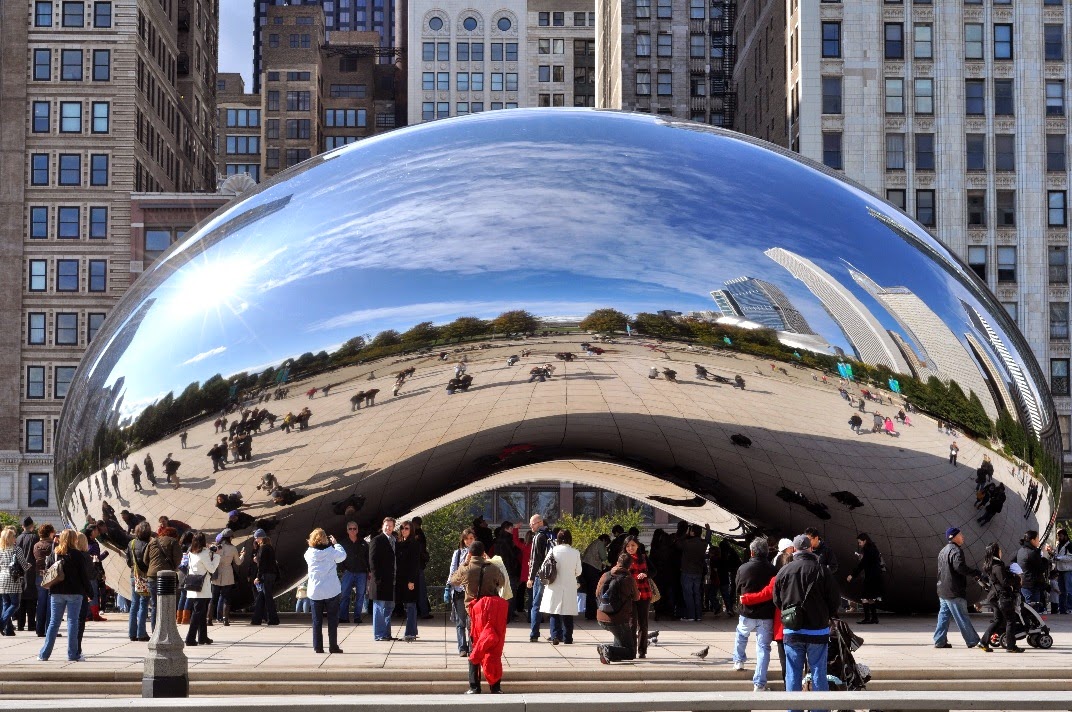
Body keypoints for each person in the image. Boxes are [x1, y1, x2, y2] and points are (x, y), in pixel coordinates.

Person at [773, 534, 841, 703]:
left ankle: (794, 708)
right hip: (818, 630)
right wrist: (825, 615)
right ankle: (819, 708)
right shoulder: (822, 570)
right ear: (811, 548)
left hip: (793, 630)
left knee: (793, 673)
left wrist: (789, 612)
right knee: (818, 671)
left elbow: (777, 599)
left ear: (794, 550)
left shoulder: (784, 571)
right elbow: (835, 600)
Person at [449, 541, 507, 694]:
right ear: (483, 553)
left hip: (474, 613)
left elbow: (453, 580)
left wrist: (464, 563)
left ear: (469, 553)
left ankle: (474, 686)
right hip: (491, 612)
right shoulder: (493, 568)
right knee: (493, 648)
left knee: (475, 647)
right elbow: (502, 582)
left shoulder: (466, 569)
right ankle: (495, 686)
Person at [38, 530, 93, 662]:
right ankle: (72, 654)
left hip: (57, 592)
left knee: (54, 622)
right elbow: (84, 576)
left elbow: (48, 571)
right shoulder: (78, 555)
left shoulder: (55, 553)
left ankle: (44, 654)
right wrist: (90, 592)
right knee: (73, 622)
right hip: (75, 592)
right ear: (74, 539)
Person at [733, 538, 777, 691]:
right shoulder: (773, 570)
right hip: (766, 614)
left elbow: (738, 587)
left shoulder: (743, 568)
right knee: (763, 648)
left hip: (747, 611)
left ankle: (739, 660)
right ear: (767, 552)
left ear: (752, 552)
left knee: (741, 634)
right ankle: (759, 683)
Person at [933, 527, 981, 649]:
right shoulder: (956, 551)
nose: (963, 536)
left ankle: (939, 641)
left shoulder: (943, 551)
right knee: (962, 616)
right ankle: (972, 640)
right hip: (954, 590)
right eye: (960, 534)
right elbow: (959, 567)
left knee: (943, 616)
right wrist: (975, 572)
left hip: (943, 589)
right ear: (953, 537)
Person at [305, 528, 346, 654]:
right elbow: (342, 556)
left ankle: (318, 646)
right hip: (331, 590)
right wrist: (336, 544)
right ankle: (333, 646)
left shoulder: (308, 554)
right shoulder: (331, 552)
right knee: (333, 620)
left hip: (315, 591)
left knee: (316, 621)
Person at [539, 529, 582, 645]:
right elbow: (578, 571)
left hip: (554, 584)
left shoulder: (553, 550)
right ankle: (568, 638)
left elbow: (544, 567)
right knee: (568, 612)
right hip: (569, 585)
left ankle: (555, 636)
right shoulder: (575, 552)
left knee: (554, 612)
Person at [595, 553, 640, 664]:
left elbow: (597, 593)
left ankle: (609, 654)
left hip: (601, 617)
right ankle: (607, 650)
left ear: (617, 562)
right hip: (618, 620)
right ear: (630, 566)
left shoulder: (605, 575)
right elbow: (636, 597)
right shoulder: (628, 579)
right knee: (630, 652)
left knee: (619, 640)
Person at [979, 542, 1021, 653]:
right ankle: (1011, 646)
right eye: (1000, 549)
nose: (1001, 551)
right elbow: (1005, 582)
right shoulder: (997, 566)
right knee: (1010, 621)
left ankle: (983, 642)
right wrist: (1016, 579)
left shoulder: (990, 565)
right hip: (1003, 597)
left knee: (998, 621)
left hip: (994, 597)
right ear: (996, 551)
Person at [183, 532, 219, 646]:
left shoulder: (191, 552)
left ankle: (203, 637)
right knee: (198, 612)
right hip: (202, 586)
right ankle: (190, 638)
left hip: (193, 584)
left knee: (201, 612)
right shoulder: (204, 553)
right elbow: (212, 569)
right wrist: (216, 556)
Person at [622, 535, 654, 658]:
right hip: (629, 595)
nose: (630, 548)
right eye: (628, 546)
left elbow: (654, 571)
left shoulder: (644, 557)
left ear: (637, 546)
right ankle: (631, 650)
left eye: (633, 545)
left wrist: (645, 574)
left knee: (643, 623)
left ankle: (642, 651)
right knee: (631, 624)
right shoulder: (623, 558)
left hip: (644, 593)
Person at [146, 526, 182, 632]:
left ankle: (154, 631)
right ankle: (166, 630)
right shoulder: (173, 541)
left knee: (155, 605)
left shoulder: (152, 542)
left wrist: (153, 568)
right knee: (167, 604)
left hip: (152, 576)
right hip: (167, 577)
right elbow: (178, 558)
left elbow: (145, 559)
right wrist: (173, 568)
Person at [448, 529, 477, 656]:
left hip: (473, 593)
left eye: (471, 538)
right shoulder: (458, 553)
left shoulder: (480, 554)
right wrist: (448, 586)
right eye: (466, 539)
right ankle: (462, 647)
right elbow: (452, 572)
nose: (469, 541)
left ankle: (472, 647)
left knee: (472, 623)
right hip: (459, 591)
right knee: (460, 622)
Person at [525, 514, 554, 642]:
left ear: (540, 522)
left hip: (540, 576)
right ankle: (556, 633)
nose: (531, 526)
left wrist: (531, 577)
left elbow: (535, 559)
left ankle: (534, 633)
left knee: (536, 605)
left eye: (533, 523)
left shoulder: (538, 537)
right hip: (553, 575)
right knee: (553, 605)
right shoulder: (551, 535)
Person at [369, 517, 398, 642]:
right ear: (382, 526)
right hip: (380, 581)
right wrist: (377, 579)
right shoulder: (377, 540)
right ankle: (379, 634)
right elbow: (372, 561)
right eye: (386, 525)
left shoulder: (394, 540)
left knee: (389, 607)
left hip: (391, 580)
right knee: (379, 608)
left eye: (391, 526)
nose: (388, 528)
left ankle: (386, 633)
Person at [846, 532, 884, 624]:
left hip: (870, 576)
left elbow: (862, 564)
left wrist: (852, 575)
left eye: (860, 542)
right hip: (876, 576)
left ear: (865, 541)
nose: (859, 544)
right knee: (871, 598)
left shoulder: (867, 549)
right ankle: (874, 618)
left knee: (864, 597)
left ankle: (867, 618)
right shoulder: (873, 548)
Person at [0, 528, 31, 636]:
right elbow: (23, 565)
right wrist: (29, 565)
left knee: (6, 604)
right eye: (14, 536)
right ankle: (2, 623)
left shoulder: (0, 549)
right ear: (10, 538)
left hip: (2, 578)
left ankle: (9, 630)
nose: (15, 538)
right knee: (15, 604)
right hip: (12, 578)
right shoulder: (16, 549)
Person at [395, 520, 421, 642]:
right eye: (402, 528)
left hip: (410, 579)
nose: (404, 530)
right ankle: (412, 631)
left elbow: (415, 564)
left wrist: (411, 580)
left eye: (406, 528)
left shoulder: (414, 544)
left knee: (410, 605)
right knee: (407, 605)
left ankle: (410, 633)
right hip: (401, 578)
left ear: (411, 530)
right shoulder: (399, 543)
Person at [338, 521, 369, 624]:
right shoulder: (342, 543)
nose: (352, 531)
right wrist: (343, 570)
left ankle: (357, 617)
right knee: (344, 595)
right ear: (347, 530)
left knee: (360, 596)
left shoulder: (363, 543)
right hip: (348, 572)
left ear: (357, 530)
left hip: (361, 573)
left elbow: (368, 558)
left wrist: (369, 571)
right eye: (350, 529)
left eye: (354, 529)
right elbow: (339, 558)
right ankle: (343, 617)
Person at [125, 521, 152, 641]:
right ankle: (141, 633)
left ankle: (132, 633)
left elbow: (128, 561)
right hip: (145, 576)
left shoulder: (131, 543)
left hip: (134, 575)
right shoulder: (149, 544)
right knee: (143, 604)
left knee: (134, 604)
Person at [249, 529, 280, 626]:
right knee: (261, 598)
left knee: (267, 597)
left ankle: (273, 619)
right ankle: (256, 619)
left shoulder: (262, 548)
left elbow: (262, 564)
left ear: (261, 537)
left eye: (256, 537)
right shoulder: (269, 547)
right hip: (271, 574)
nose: (256, 539)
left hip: (265, 575)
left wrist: (258, 577)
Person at [676, 524, 707, 621]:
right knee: (697, 594)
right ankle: (698, 615)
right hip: (698, 571)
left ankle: (691, 615)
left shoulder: (686, 543)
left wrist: (685, 534)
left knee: (688, 594)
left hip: (687, 571)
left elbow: (677, 543)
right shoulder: (703, 544)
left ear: (692, 532)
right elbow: (708, 539)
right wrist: (709, 530)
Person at [211, 529, 240, 626]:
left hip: (216, 572)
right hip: (227, 572)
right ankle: (225, 620)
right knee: (226, 597)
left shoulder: (216, 547)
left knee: (214, 597)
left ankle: (209, 619)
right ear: (230, 537)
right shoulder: (233, 548)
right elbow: (238, 562)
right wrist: (243, 556)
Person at [493, 522, 522, 619]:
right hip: (510, 569)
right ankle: (509, 614)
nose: (512, 530)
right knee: (511, 592)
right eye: (511, 528)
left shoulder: (497, 540)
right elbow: (514, 553)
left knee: (500, 591)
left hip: (499, 568)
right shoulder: (509, 540)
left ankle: (500, 612)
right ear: (507, 528)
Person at [1014, 530, 1051, 607]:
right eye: (1037, 538)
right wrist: (1045, 560)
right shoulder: (1032, 553)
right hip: (1032, 584)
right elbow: (1041, 568)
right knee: (1033, 609)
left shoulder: (1021, 550)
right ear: (1032, 540)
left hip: (1024, 583)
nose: (1038, 541)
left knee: (1027, 607)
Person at [15, 517, 38, 633]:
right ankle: (31, 624)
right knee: (32, 599)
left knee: (21, 599)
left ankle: (20, 624)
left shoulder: (18, 538)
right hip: (32, 570)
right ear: (31, 525)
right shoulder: (34, 537)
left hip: (19, 571)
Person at [581, 534, 610, 621]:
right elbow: (603, 557)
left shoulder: (593, 543)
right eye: (606, 544)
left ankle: (589, 613)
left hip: (586, 567)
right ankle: (592, 613)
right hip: (592, 568)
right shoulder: (600, 543)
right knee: (594, 591)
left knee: (589, 592)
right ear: (604, 540)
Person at [1055, 529, 1072, 615]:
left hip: (1068, 570)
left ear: (1065, 536)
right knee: (1061, 591)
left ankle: (1069, 608)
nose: (1059, 538)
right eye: (1058, 536)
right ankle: (1062, 608)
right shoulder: (1059, 546)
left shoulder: (1069, 545)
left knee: (1069, 590)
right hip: (1060, 570)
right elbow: (1057, 555)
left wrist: (1059, 558)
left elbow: (1070, 558)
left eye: (1061, 536)